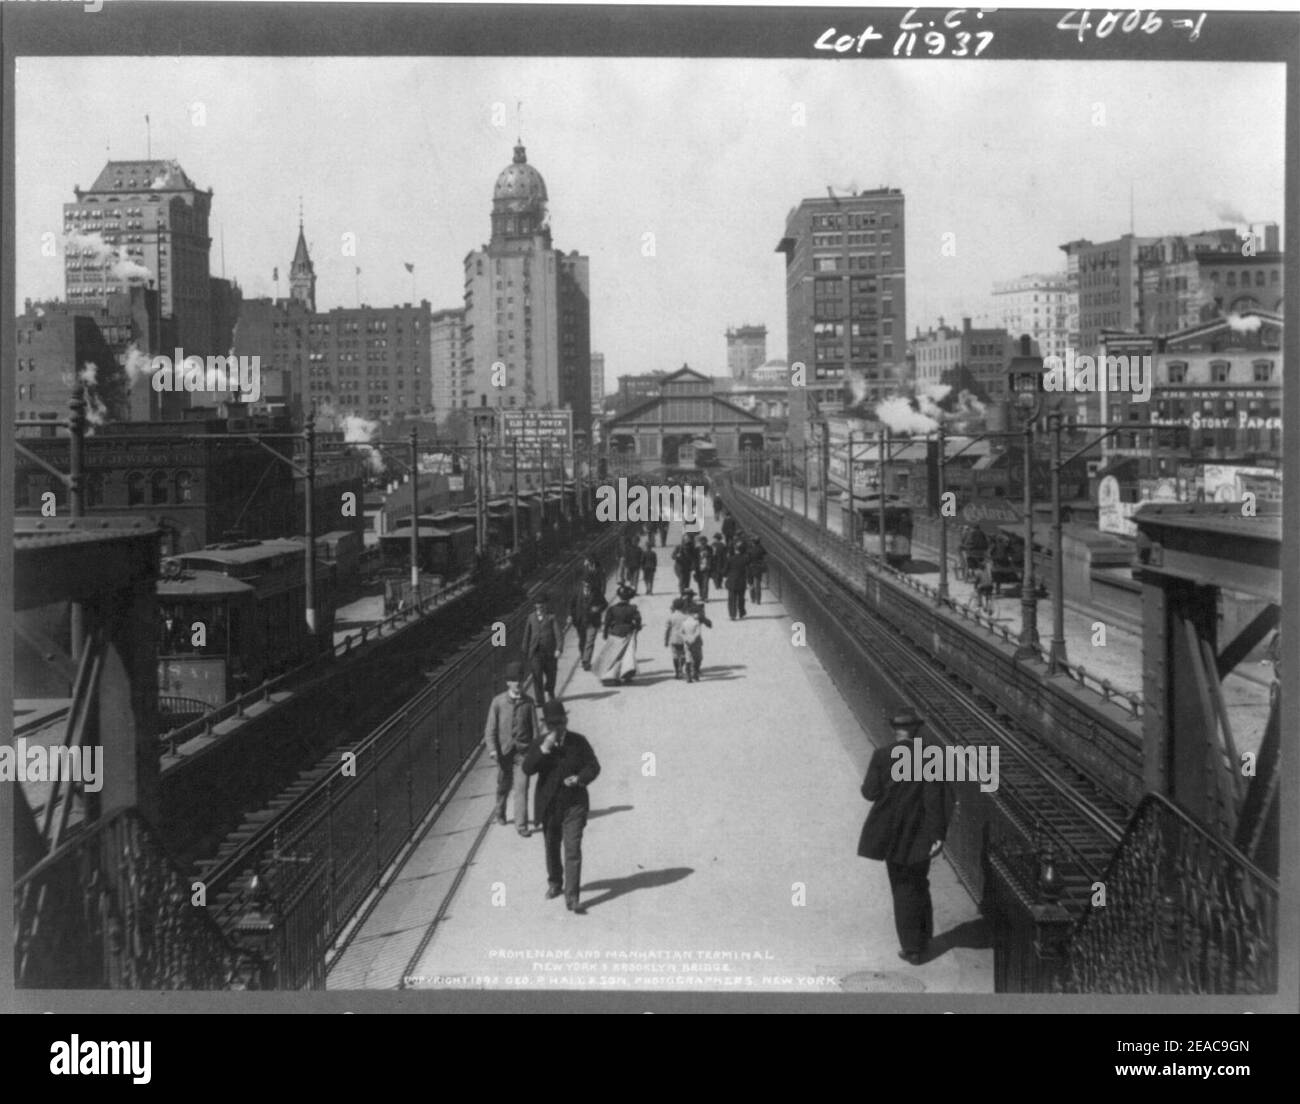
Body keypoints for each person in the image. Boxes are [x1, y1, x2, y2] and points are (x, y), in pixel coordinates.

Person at [857, 710, 954, 965]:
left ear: (894, 730)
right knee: (919, 882)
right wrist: (938, 834)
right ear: (917, 730)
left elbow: (869, 793)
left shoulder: (882, 756)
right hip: (921, 831)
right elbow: (935, 798)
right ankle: (924, 938)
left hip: (891, 832)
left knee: (902, 887)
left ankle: (912, 948)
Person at [522, 700, 601, 913]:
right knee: (551, 846)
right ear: (546, 725)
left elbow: (593, 766)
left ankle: (572, 898)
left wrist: (580, 778)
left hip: (574, 805)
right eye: (552, 724)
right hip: (549, 807)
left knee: (572, 850)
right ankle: (555, 883)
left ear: (566, 721)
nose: (557, 728)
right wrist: (544, 749)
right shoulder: (540, 743)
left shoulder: (578, 742)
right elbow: (527, 768)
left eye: (561, 722)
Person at [482, 661, 537, 836]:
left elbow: (535, 730)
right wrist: (492, 750)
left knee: (521, 789)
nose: (518, 684)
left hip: (523, 753)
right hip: (503, 754)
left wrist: (535, 752)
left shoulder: (529, 703)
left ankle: (521, 826)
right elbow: (490, 730)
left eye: (520, 680)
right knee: (503, 786)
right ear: (508, 683)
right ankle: (500, 811)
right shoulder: (497, 702)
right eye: (514, 680)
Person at [520, 594, 563, 702]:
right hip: (535, 652)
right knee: (536, 675)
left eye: (542, 607)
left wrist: (559, 648)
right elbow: (527, 634)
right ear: (535, 606)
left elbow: (558, 634)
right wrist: (524, 649)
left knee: (551, 674)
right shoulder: (531, 617)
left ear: (546, 606)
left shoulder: (551, 617)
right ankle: (539, 700)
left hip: (549, 652)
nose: (540, 609)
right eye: (538, 607)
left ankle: (550, 691)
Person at [597, 584, 642, 683]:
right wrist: (637, 627)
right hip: (628, 632)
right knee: (627, 654)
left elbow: (607, 622)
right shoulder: (633, 608)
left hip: (615, 632)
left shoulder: (612, 609)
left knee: (613, 654)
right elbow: (638, 619)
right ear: (629, 598)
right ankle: (626, 675)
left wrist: (605, 633)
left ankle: (610, 675)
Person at [568, 578, 607, 672]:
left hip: (593, 621)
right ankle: (583, 657)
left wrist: (598, 608)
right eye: (586, 585)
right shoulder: (577, 591)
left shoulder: (596, 591)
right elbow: (571, 604)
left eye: (589, 585)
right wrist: (570, 615)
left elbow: (605, 603)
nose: (587, 587)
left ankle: (586, 662)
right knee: (582, 641)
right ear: (583, 583)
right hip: (580, 621)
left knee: (590, 641)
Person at [679, 596, 713, 682]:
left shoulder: (685, 609)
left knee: (688, 657)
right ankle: (694, 673)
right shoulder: (694, 615)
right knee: (697, 657)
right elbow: (699, 630)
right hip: (695, 641)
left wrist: (685, 639)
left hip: (686, 640)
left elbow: (681, 632)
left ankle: (688, 674)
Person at [725, 539, 749, 620]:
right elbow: (748, 570)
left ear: (735, 549)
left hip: (731, 581)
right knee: (741, 598)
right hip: (741, 581)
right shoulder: (745, 559)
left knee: (732, 599)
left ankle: (732, 614)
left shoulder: (730, 559)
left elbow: (725, 570)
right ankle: (741, 612)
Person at [664, 597, 687, 680]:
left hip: (673, 638)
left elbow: (667, 630)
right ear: (683, 606)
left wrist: (666, 640)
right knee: (684, 655)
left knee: (675, 655)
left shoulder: (671, 617)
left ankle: (677, 671)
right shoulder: (686, 617)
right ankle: (682, 668)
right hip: (684, 639)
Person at [747, 537, 767, 605]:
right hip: (758, 568)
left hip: (750, 568)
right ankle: (758, 601)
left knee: (751, 584)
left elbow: (747, 559)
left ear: (753, 543)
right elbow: (765, 553)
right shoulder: (760, 549)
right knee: (758, 585)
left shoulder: (750, 550)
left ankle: (752, 598)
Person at [692, 535, 712, 603]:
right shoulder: (696, 550)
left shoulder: (709, 549)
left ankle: (705, 597)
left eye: (705, 542)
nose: (703, 544)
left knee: (706, 583)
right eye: (702, 543)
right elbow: (694, 560)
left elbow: (712, 558)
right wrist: (694, 569)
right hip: (698, 569)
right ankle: (701, 596)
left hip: (707, 568)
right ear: (700, 543)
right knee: (700, 583)